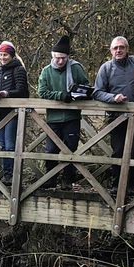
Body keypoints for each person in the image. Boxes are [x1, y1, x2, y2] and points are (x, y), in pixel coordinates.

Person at [92, 36, 134, 191]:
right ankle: (117, 186)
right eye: (115, 48)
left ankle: (131, 187)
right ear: (111, 51)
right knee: (118, 152)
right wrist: (113, 98)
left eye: (121, 47)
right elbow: (97, 92)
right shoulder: (105, 68)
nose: (118, 50)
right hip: (116, 116)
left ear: (127, 49)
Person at [36, 36, 90, 189]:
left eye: (63, 58)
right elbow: (42, 92)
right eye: (57, 58)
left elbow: (85, 85)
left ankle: (67, 181)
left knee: (70, 149)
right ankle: (50, 179)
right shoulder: (46, 71)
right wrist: (61, 95)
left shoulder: (75, 68)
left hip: (72, 116)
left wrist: (80, 92)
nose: (59, 61)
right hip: (54, 117)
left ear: (68, 57)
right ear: (52, 56)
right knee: (51, 150)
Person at [0, 40, 29, 183]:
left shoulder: (19, 70)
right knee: (2, 145)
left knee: (10, 145)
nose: (2, 57)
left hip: (13, 112)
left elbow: (23, 91)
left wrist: (6, 93)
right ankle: (6, 174)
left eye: (5, 55)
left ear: (11, 55)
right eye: (1, 54)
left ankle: (11, 176)